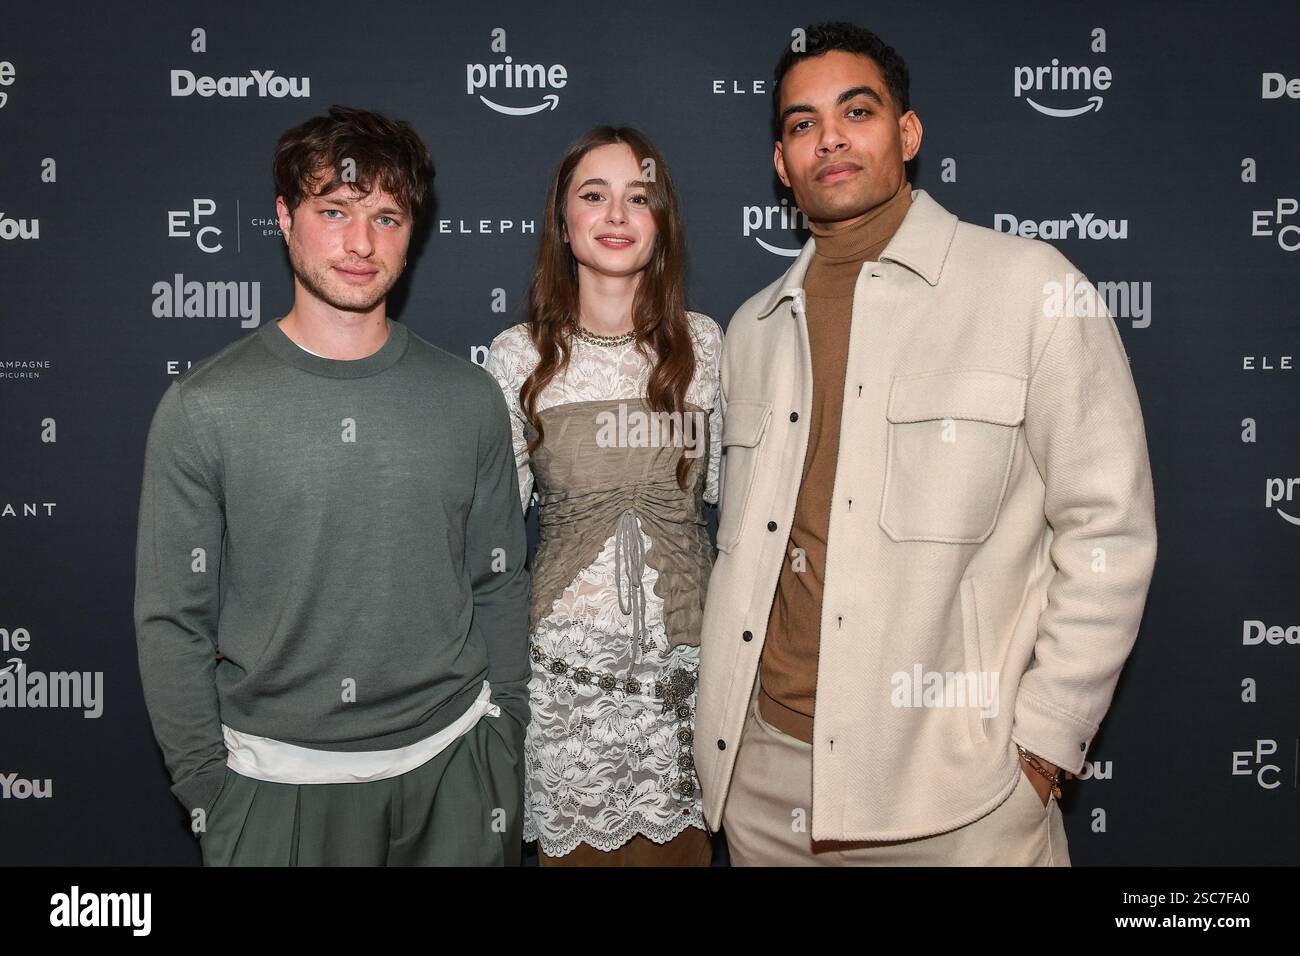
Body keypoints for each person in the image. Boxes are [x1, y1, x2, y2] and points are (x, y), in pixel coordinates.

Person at [694, 23, 1157, 865]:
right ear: (781, 162)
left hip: (958, 805)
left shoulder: (1030, 287)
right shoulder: (753, 329)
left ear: (907, 135)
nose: (828, 137)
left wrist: (1046, 745)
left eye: (856, 111)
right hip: (765, 790)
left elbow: (1109, 529)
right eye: (801, 124)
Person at [134, 105, 530, 866]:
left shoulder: (468, 396)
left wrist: (502, 733)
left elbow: (498, 581)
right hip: (273, 790)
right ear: (285, 217)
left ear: (412, 231)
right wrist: (208, 789)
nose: (360, 242)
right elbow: (173, 619)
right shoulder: (204, 407)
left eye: (386, 216)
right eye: (334, 211)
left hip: (458, 774)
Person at [484, 126, 722, 866]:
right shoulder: (519, 355)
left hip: (688, 687)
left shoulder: (705, 346)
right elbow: (491, 535)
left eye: (638, 197)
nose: (617, 214)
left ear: (662, 223)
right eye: (595, 196)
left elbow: (740, 513)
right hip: (566, 692)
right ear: (564, 224)